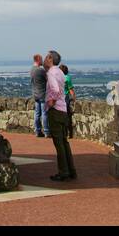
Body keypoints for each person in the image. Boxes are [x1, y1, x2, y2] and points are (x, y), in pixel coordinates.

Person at [45, 49, 77, 181]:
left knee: (58, 143)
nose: (45, 59)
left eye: (47, 57)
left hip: (56, 111)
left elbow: (56, 90)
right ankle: (71, 170)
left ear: (51, 59)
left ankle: (63, 172)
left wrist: (51, 102)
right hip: (63, 110)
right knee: (64, 142)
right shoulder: (60, 72)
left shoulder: (52, 73)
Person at [30, 53, 50, 138]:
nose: (42, 61)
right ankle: (46, 132)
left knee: (37, 114)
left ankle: (38, 131)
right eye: (41, 59)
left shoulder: (31, 69)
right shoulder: (40, 70)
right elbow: (48, 79)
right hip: (43, 94)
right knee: (44, 113)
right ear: (38, 60)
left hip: (35, 94)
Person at [62, 63, 76, 139]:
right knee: (66, 116)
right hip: (64, 98)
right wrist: (74, 98)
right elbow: (70, 89)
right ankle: (67, 133)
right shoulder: (67, 78)